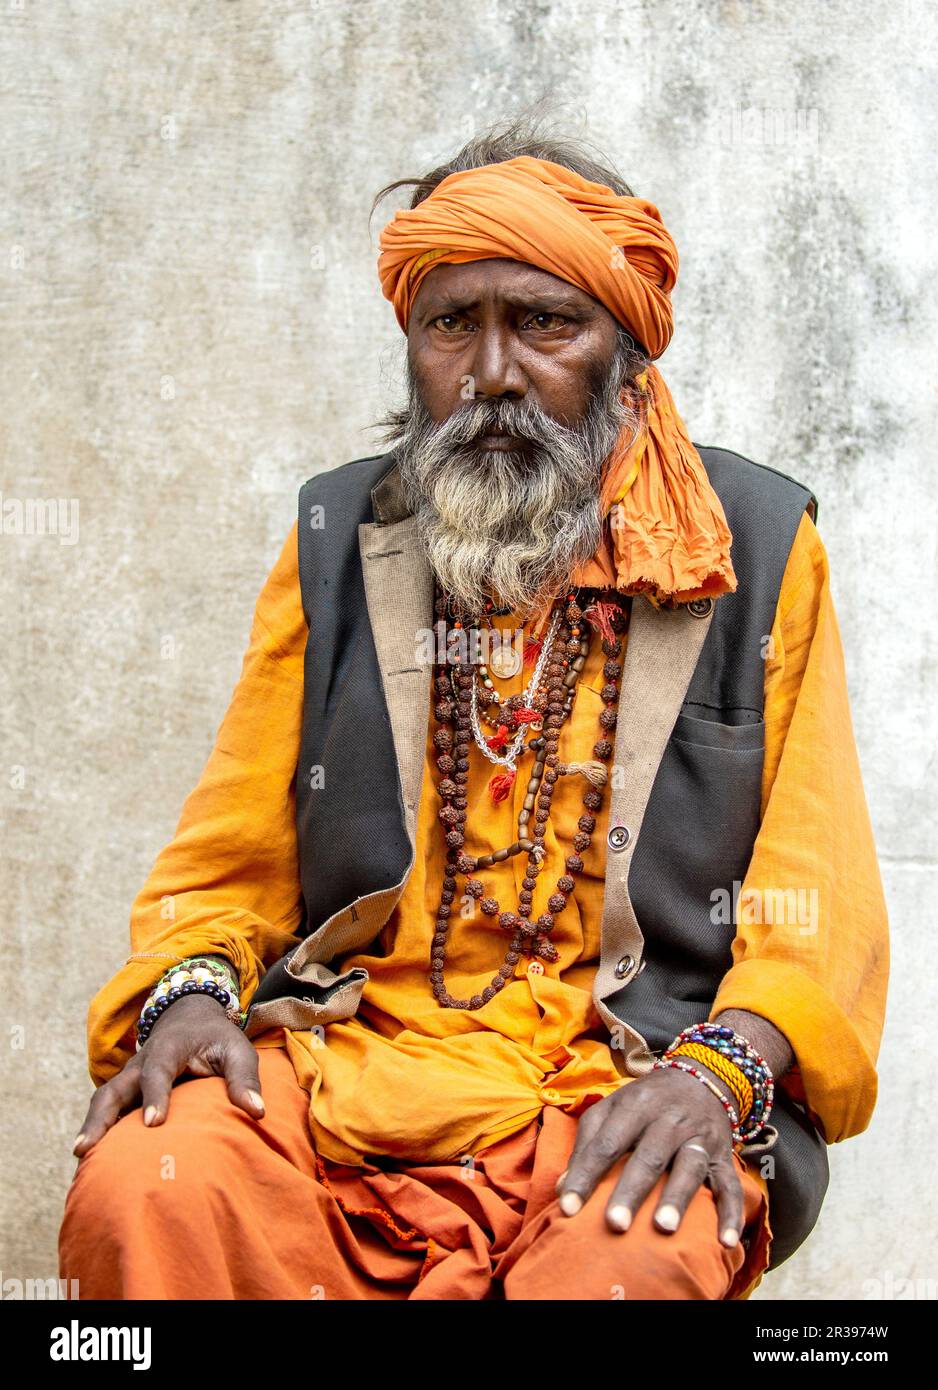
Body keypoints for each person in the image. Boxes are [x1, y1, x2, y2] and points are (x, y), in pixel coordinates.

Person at [58, 119, 889, 1301]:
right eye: (453, 324)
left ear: (624, 350)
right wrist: (190, 994)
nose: (492, 372)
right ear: (415, 347)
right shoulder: (339, 538)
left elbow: (816, 908)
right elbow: (225, 861)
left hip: (621, 1082)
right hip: (348, 1069)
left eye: (544, 323)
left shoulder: (755, 548)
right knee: (150, 1184)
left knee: (628, 1260)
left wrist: (718, 1074)